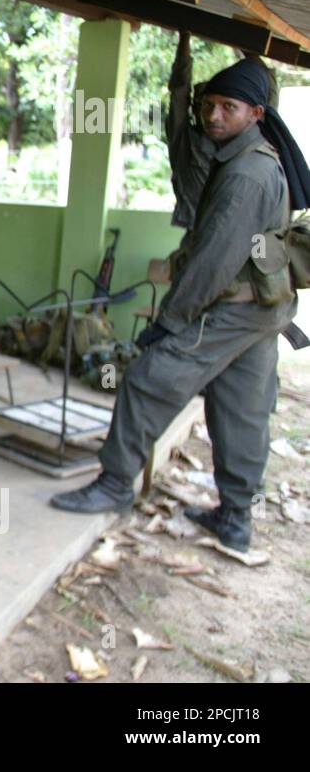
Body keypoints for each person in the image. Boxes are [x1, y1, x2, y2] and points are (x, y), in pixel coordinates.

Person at [51, 37, 303, 553]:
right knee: (241, 408)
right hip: (264, 308)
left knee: (146, 380)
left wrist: (170, 319)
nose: (212, 116)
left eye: (226, 108)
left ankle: (114, 486)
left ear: (255, 113)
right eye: (208, 105)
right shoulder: (251, 157)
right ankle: (236, 519)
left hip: (233, 307)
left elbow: (212, 259)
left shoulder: (247, 174)